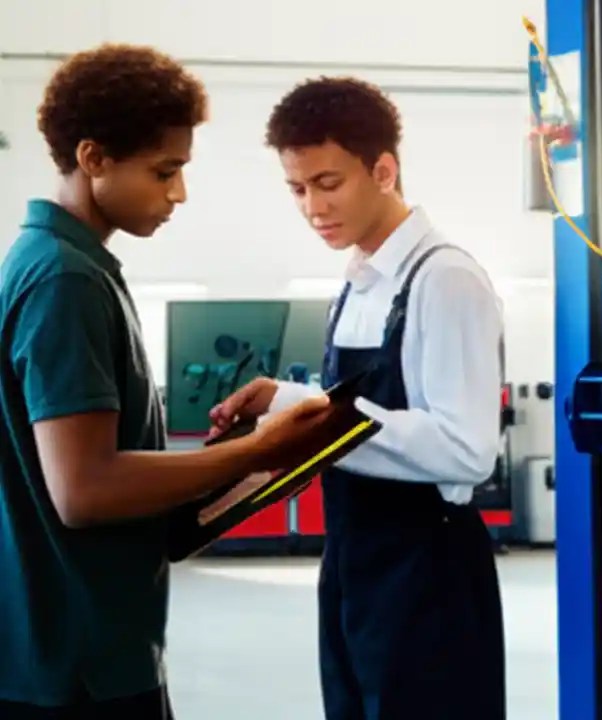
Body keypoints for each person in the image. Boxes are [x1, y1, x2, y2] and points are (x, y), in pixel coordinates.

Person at [0, 44, 338, 720]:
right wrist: (253, 453)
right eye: (164, 171)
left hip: (86, 649)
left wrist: (243, 468)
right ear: (94, 158)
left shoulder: (74, 268)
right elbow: (84, 491)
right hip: (79, 671)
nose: (178, 194)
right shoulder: (65, 280)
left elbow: (109, 482)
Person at [208, 76, 507, 719]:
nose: (313, 207)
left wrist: (310, 421)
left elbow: (468, 449)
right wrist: (286, 403)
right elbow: (363, 412)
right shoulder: (358, 285)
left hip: (429, 574)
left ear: (384, 169)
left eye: (328, 183)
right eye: (297, 188)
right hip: (353, 563)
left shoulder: (445, 279)